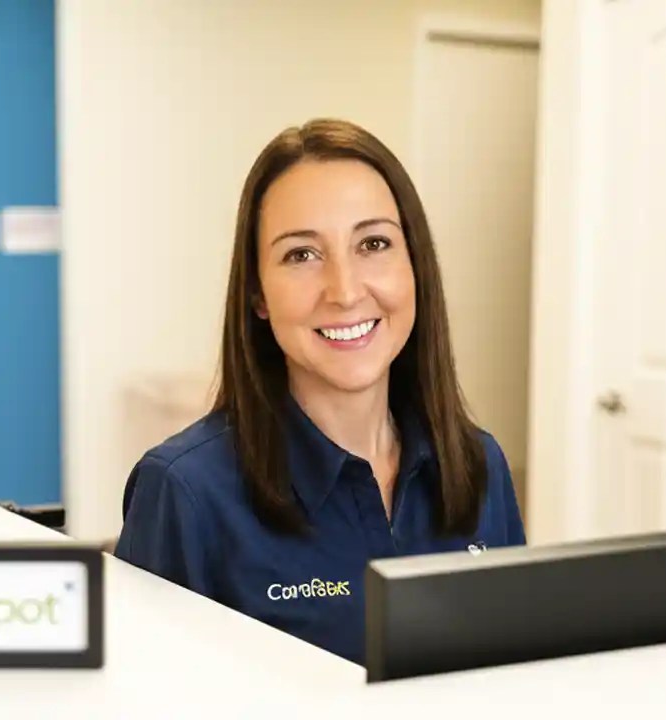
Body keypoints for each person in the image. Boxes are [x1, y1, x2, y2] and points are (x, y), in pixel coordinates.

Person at [114, 118, 526, 665]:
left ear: (415, 269)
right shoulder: (186, 491)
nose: (346, 290)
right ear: (258, 294)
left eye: (373, 243)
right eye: (302, 255)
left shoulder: (480, 465)